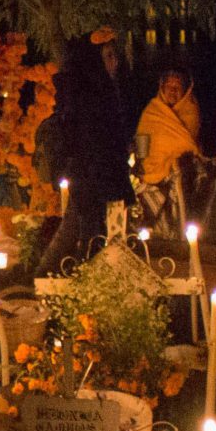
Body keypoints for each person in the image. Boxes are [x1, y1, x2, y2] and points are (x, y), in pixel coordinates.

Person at [37, 29, 133, 273]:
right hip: (92, 178)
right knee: (90, 234)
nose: (114, 62)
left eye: (115, 56)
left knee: (81, 230)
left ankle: (49, 277)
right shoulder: (91, 98)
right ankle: (73, 280)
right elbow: (94, 141)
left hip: (93, 177)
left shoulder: (102, 92)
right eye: (108, 56)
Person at [133, 68, 204, 233]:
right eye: (169, 86)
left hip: (178, 166)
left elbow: (185, 144)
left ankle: (176, 232)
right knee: (139, 188)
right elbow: (142, 139)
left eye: (177, 87)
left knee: (177, 180)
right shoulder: (152, 110)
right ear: (162, 88)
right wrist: (141, 161)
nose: (172, 91)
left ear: (185, 91)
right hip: (150, 167)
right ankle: (148, 232)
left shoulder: (190, 110)